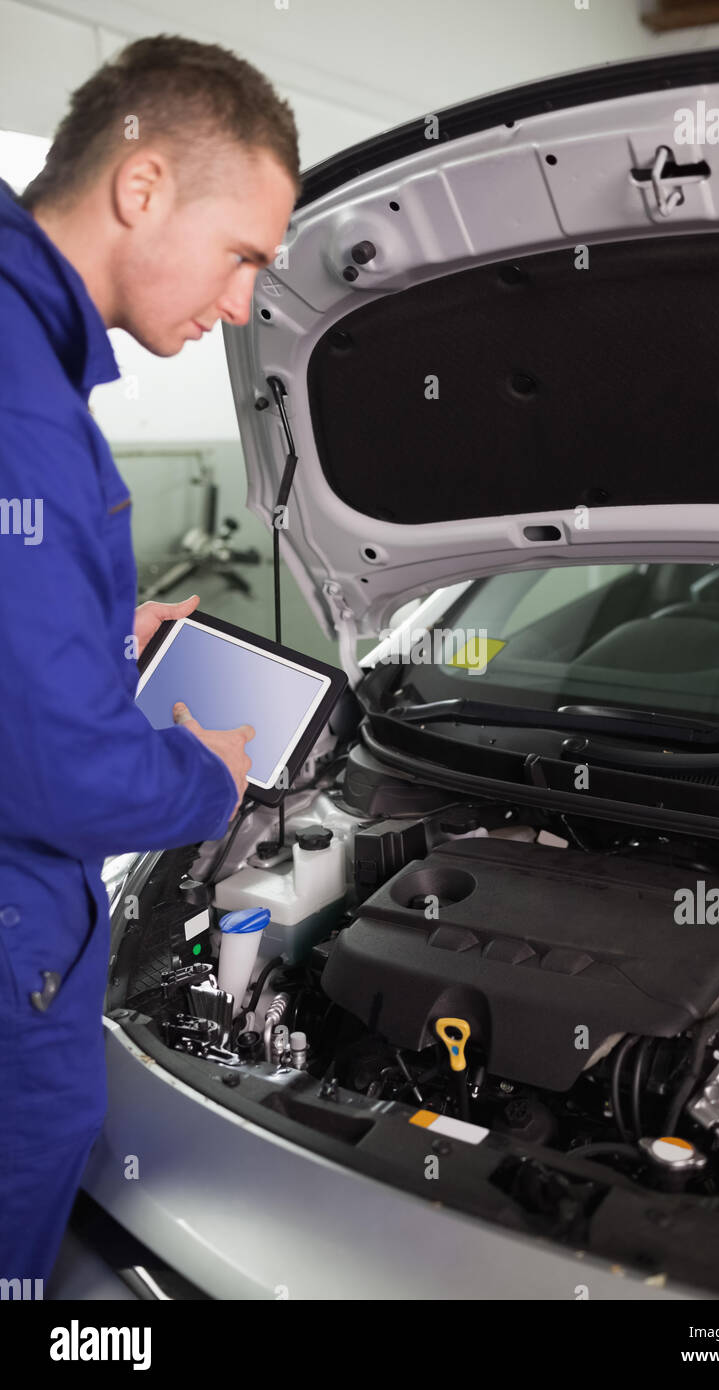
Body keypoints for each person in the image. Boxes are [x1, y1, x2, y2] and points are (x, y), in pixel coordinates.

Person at [0, 33, 299, 1285]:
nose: (240, 305)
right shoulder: (23, 403)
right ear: (142, 187)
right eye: (242, 256)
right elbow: (65, 779)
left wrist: (78, 631)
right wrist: (208, 773)